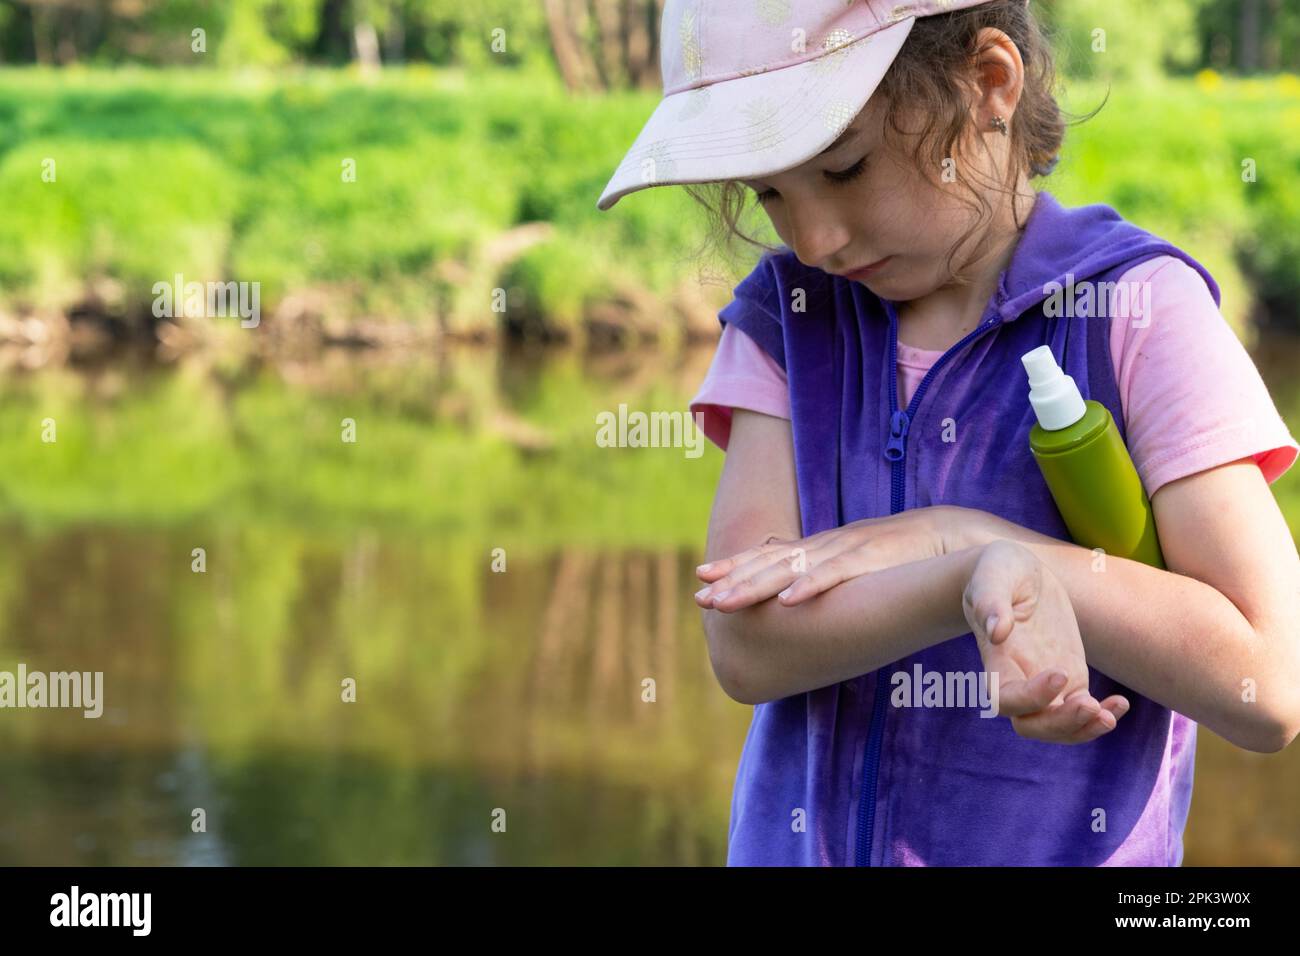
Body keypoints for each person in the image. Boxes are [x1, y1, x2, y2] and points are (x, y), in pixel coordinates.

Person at [595, 0, 1300, 866]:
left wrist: (968, 536)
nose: (812, 239)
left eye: (847, 169)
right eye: (770, 191)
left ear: (989, 84)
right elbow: (745, 647)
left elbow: (1266, 685)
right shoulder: (788, 322)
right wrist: (963, 579)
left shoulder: (1138, 312)